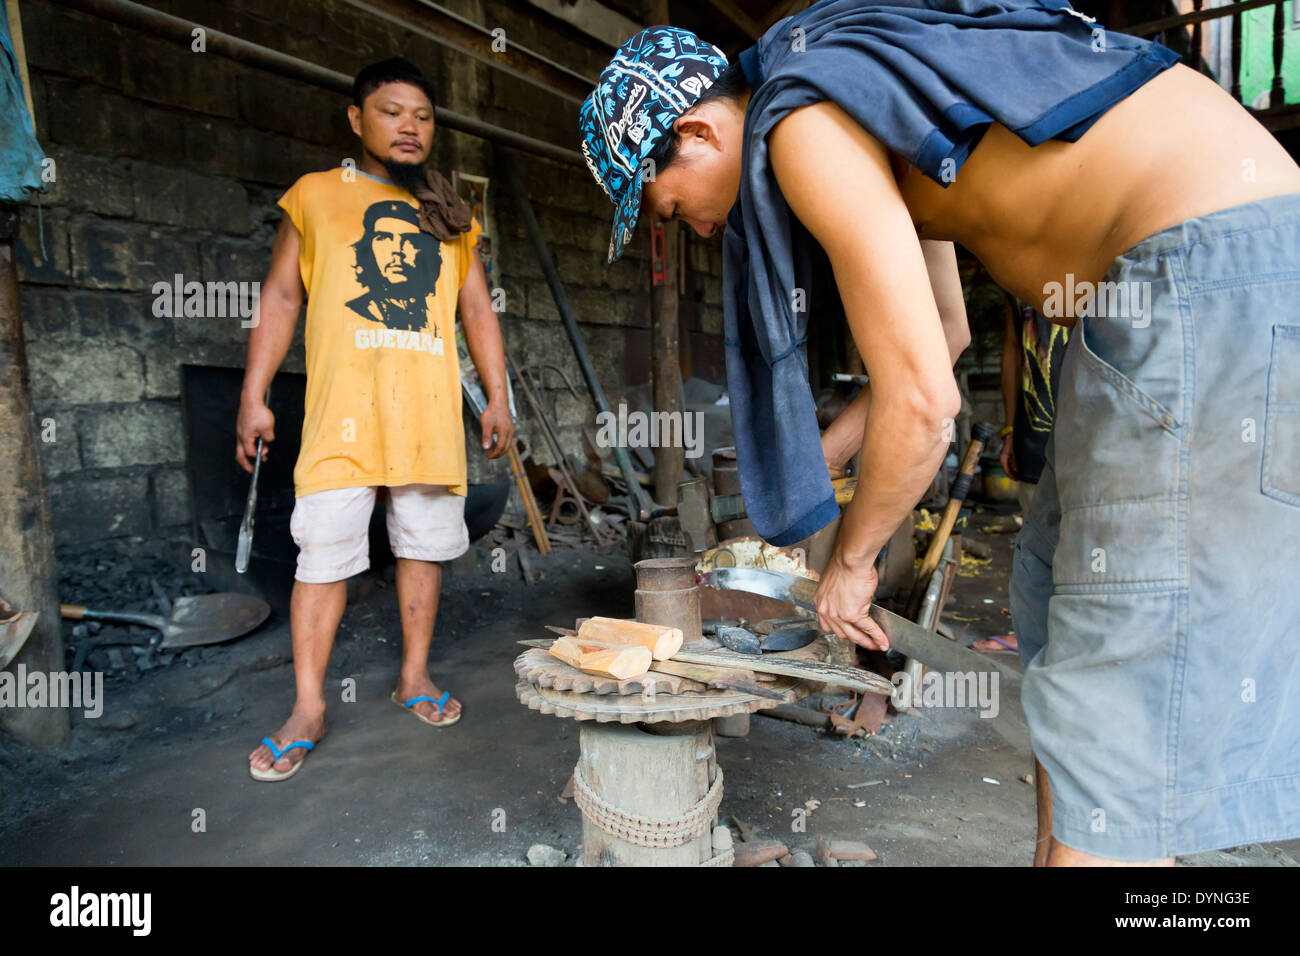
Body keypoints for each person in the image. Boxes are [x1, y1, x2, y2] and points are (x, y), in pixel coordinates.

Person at [578, 4, 1300, 866]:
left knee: (1121, 705)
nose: (689, 226)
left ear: (696, 131)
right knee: (1057, 608)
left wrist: (849, 564)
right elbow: (945, 340)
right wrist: (820, 464)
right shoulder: (859, 102)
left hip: (1206, 274)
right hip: (1160, 286)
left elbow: (923, 405)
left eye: (665, 204)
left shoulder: (799, 124)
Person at [238, 57, 514, 781]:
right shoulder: (317, 196)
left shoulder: (449, 213)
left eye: (422, 116)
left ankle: (413, 676)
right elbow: (281, 300)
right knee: (321, 555)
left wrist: (498, 396)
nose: (410, 127)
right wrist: (253, 393)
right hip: (341, 417)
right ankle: (307, 706)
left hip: (425, 415)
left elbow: (476, 309)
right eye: (392, 112)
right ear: (357, 120)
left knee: (422, 547)